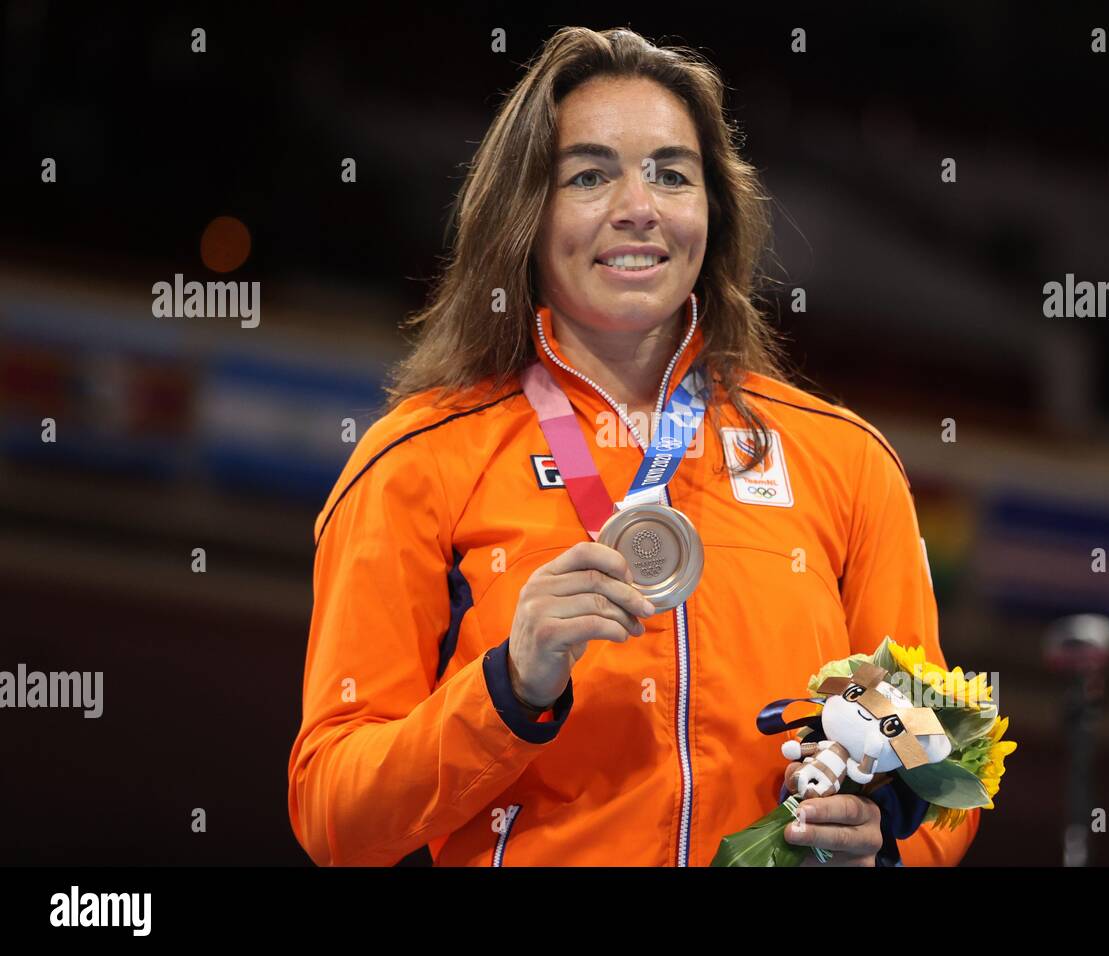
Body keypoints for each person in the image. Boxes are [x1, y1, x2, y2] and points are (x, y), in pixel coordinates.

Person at [287, 25, 980, 867]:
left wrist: (888, 843)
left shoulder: (844, 462)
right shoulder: (418, 461)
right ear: (525, 216)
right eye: (589, 174)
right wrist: (508, 686)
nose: (638, 206)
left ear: (712, 213)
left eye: (671, 173)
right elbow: (335, 817)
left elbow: (941, 769)